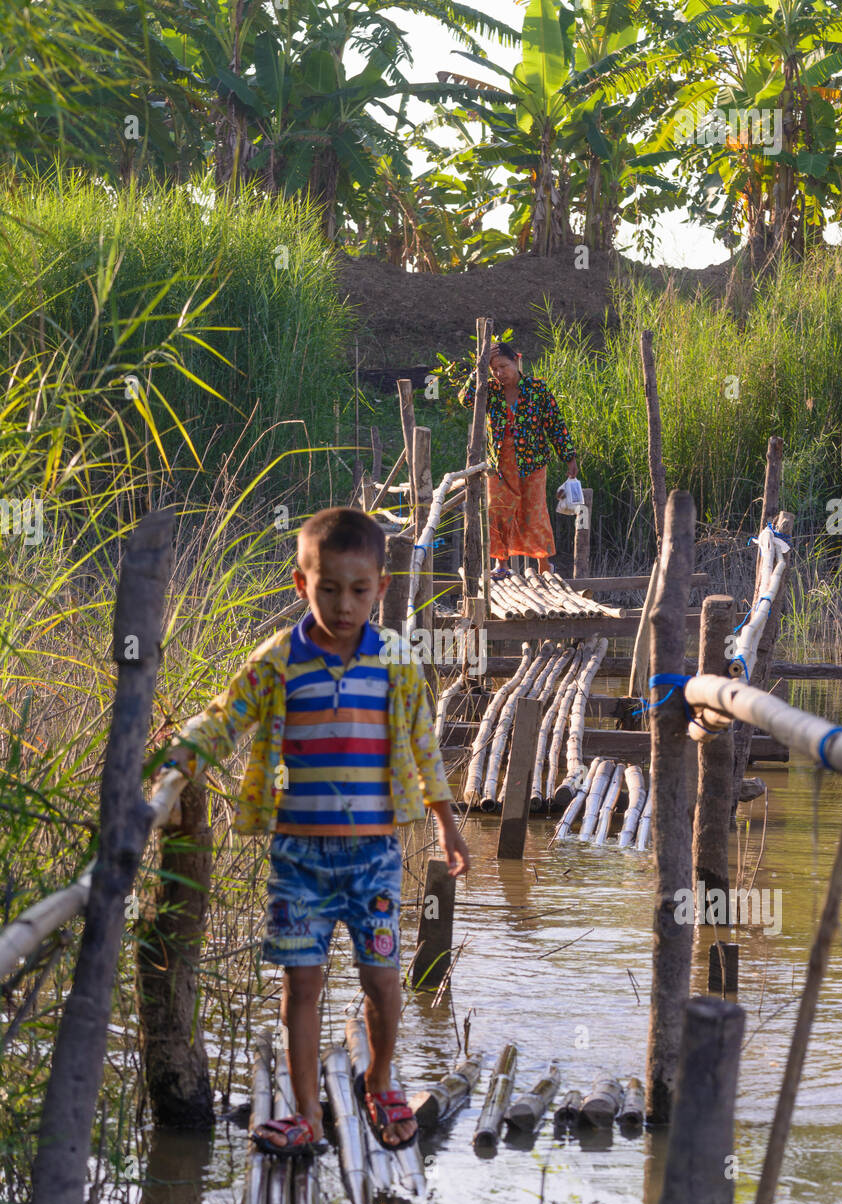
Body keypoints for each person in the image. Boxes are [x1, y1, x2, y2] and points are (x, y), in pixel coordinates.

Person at [158, 507, 470, 1154]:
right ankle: (304, 1112)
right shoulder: (279, 661)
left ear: (382, 588)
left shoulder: (396, 662)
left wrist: (447, 823)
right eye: (328, 588)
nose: (344, 603)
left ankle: (380, 1081)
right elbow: (224, 717)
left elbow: (423, 746)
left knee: (381, 976)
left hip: (374, 857)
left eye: (359, 590)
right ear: (302, 585)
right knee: (301, 982)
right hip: (298, 857)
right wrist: (178, 754)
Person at [460, 341, 579, 577]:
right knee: (498, 512)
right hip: (499, 466)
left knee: (534, 513)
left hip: (532, 465)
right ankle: (501, 565)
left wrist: (569, 458)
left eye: (503, 366)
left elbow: (555, 425)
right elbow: (466, 400)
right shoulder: (490, 389)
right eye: (494, 369)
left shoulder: (537, 389)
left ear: (516, 360)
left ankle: (544, 566)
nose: (499, 373)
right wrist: (477, 371)